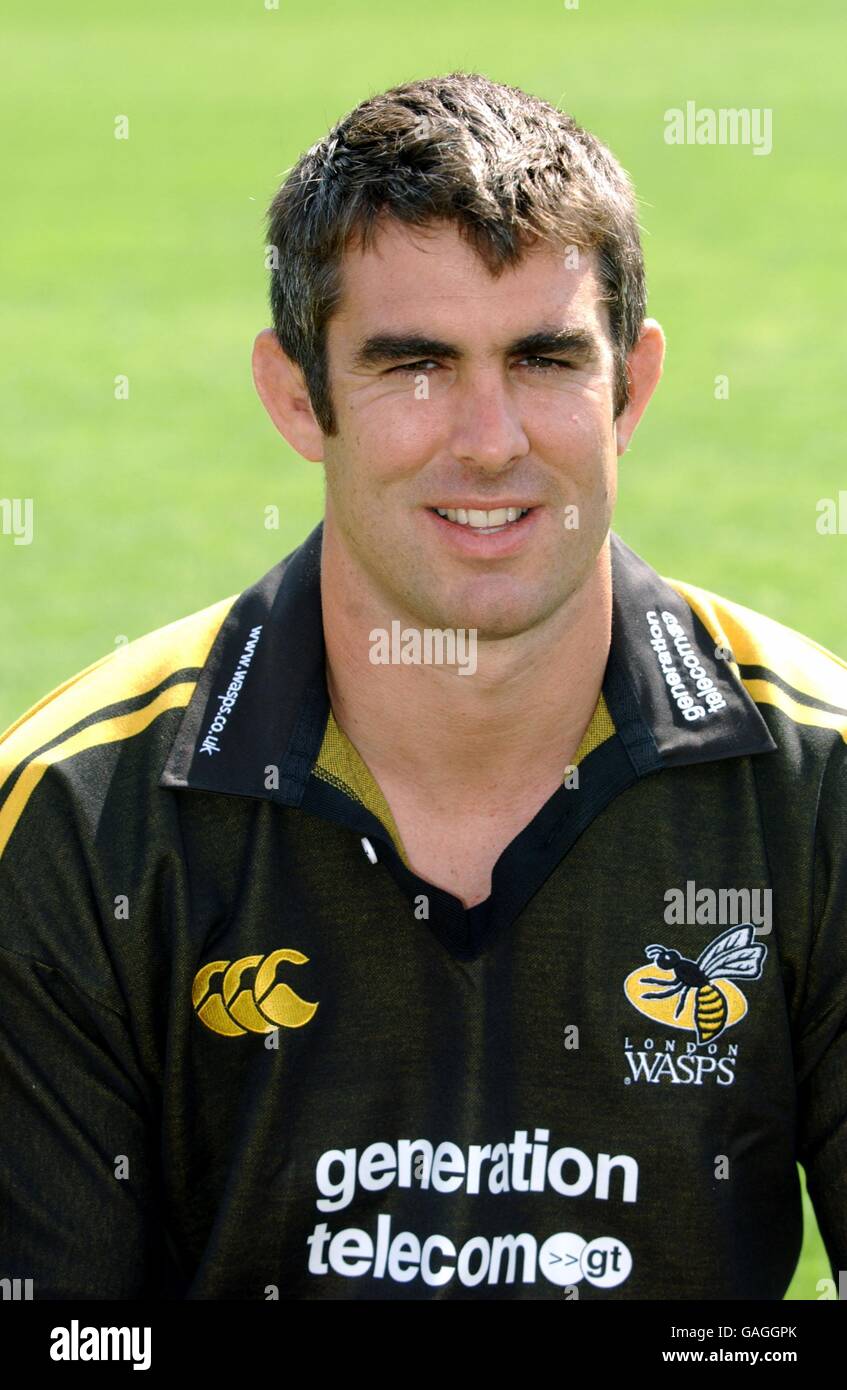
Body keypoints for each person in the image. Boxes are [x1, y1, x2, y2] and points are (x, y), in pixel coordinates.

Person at [1, 71, 845, 1301]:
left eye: (546, 358)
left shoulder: (817, 788)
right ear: (298, 397)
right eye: (415, 365)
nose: (491, 438)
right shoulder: (72, 817)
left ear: (633, 388)